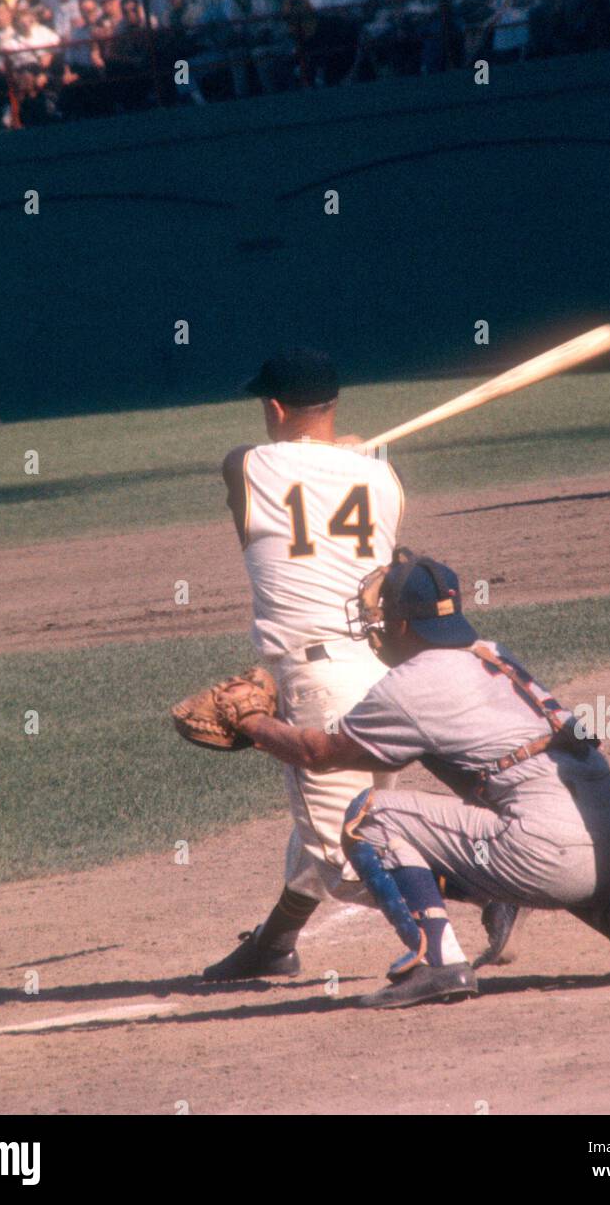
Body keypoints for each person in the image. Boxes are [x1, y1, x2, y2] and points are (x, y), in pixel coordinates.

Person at [233, 549, 610, 1009]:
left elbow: (319, 753)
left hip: (552, 857)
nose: (374, 630)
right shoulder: (492, 654)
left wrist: (252, 722)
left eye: (380, 620)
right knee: (509, 812)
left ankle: (437, 963)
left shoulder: (410, 685)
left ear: (402, 626)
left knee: (369, 817)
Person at [201, 348, 405, 981]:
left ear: (276, 407)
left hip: (317, 683)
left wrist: (326, 455)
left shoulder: (249, 465)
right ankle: (274, 943)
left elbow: (237, 469)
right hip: (378, 674)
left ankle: (491, 889)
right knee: (348, 821)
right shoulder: (384, 478)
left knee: (346, 861)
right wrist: (342, 456)